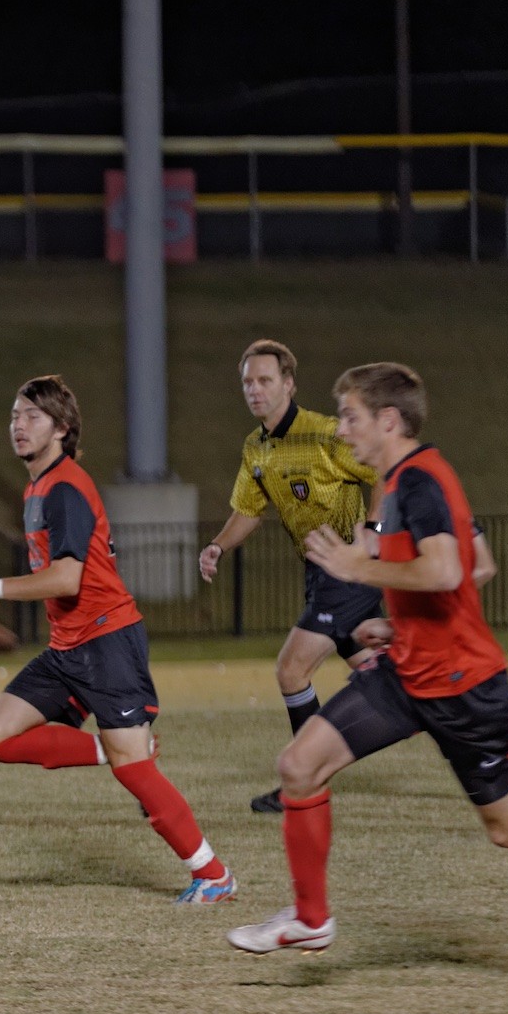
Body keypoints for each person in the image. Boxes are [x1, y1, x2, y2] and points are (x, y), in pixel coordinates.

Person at [228, 363, 508, 970]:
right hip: (406, 672)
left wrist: (358, 570)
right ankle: (311, 921)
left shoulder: (421, 481)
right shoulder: (395, 483)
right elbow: (460, 572)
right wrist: (398, 623)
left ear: (387, 421)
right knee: (298, 766)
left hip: (465, 689)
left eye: (350, 417)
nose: (340, 430)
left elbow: (449, 569)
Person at [0, 374, 238, 904]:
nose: (18, 425)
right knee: (0, 737)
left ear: (62, 428)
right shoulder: (36, 486)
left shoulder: (64, 487)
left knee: (136, 771)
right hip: (69, 647)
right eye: (15, 415)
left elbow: (67, 579)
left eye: (32, 416)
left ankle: (214, 874)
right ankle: (114, 750)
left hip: (108, 643)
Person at [198, 340, 383, 815]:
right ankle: (447, 708)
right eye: (247, 382)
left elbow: (385, 470)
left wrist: (374, 533)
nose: (254, 390)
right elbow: (248, 510)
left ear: (288, 383)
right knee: (382, 670)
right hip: (319, 571)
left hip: (349, 568)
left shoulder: (324, 434)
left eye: (264, 380)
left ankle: (305, 780)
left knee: (291, 669)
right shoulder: (255, 447)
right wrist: (219, 544)